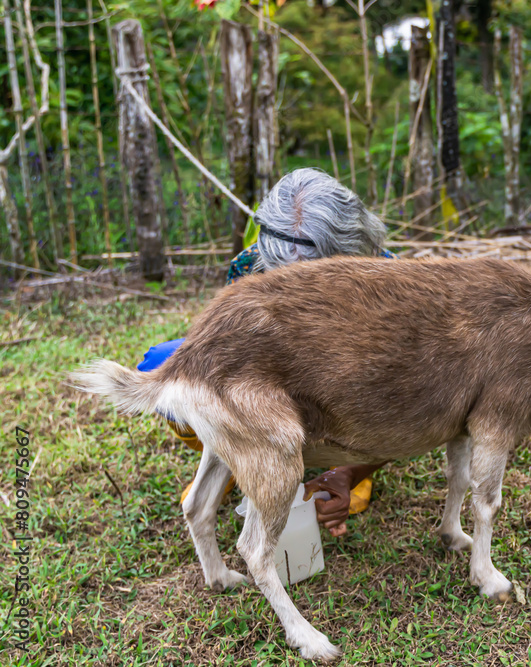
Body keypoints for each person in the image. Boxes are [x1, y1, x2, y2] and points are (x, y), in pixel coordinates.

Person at [137, 168, 389, 537]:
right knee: (167, 367)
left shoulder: (388, 281)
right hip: (278, 396)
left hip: (347, 405)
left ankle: (340, 468)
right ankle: (232, 461)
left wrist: (349, 473)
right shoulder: (248, 266)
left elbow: (404, 397)